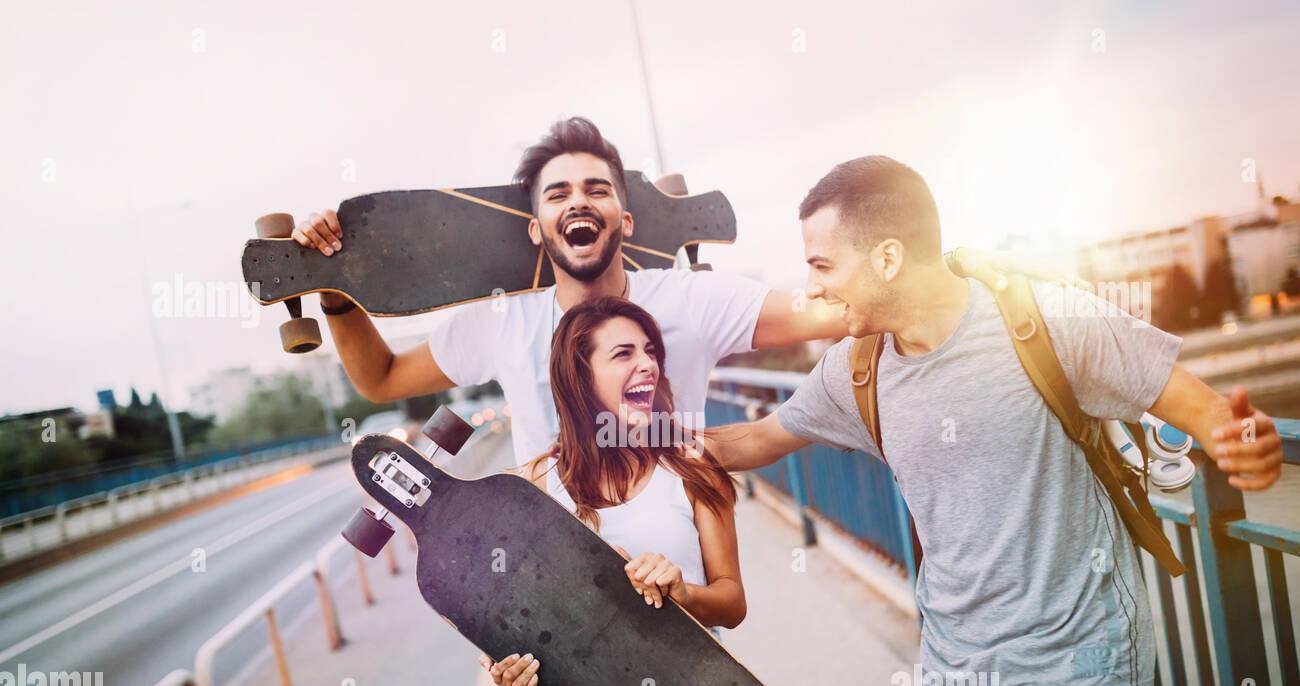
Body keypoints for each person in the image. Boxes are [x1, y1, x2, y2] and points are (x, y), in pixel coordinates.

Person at [695, 156, 1284, 686]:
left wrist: (1245, 446)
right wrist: (630, 445)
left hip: (1080, 670)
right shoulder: (857, 370)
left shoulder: (1050, 325)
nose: (811, 288)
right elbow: (757, 438)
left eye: (822, 266)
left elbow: (1211, 416)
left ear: (887, 257)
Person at [290, 116, 1073, 471]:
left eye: (596, 188)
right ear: (536, 229)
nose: (577, 203)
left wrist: (949, 272)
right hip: (559, 613)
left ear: (625, 217)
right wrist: (335, 289)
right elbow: (381, 380)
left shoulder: (690, 301)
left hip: (685, 599)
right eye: (556, 195)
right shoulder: (503, 323)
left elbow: (839, 312)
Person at [481, 296, 753, 686]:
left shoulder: (691, 465)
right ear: (580, 378)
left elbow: (732, 602)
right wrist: (504, 658)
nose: (648, 365)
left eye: (651, 351)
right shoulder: (535, 486)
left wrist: (684, 595)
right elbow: (492, 599)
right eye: (624, 353)